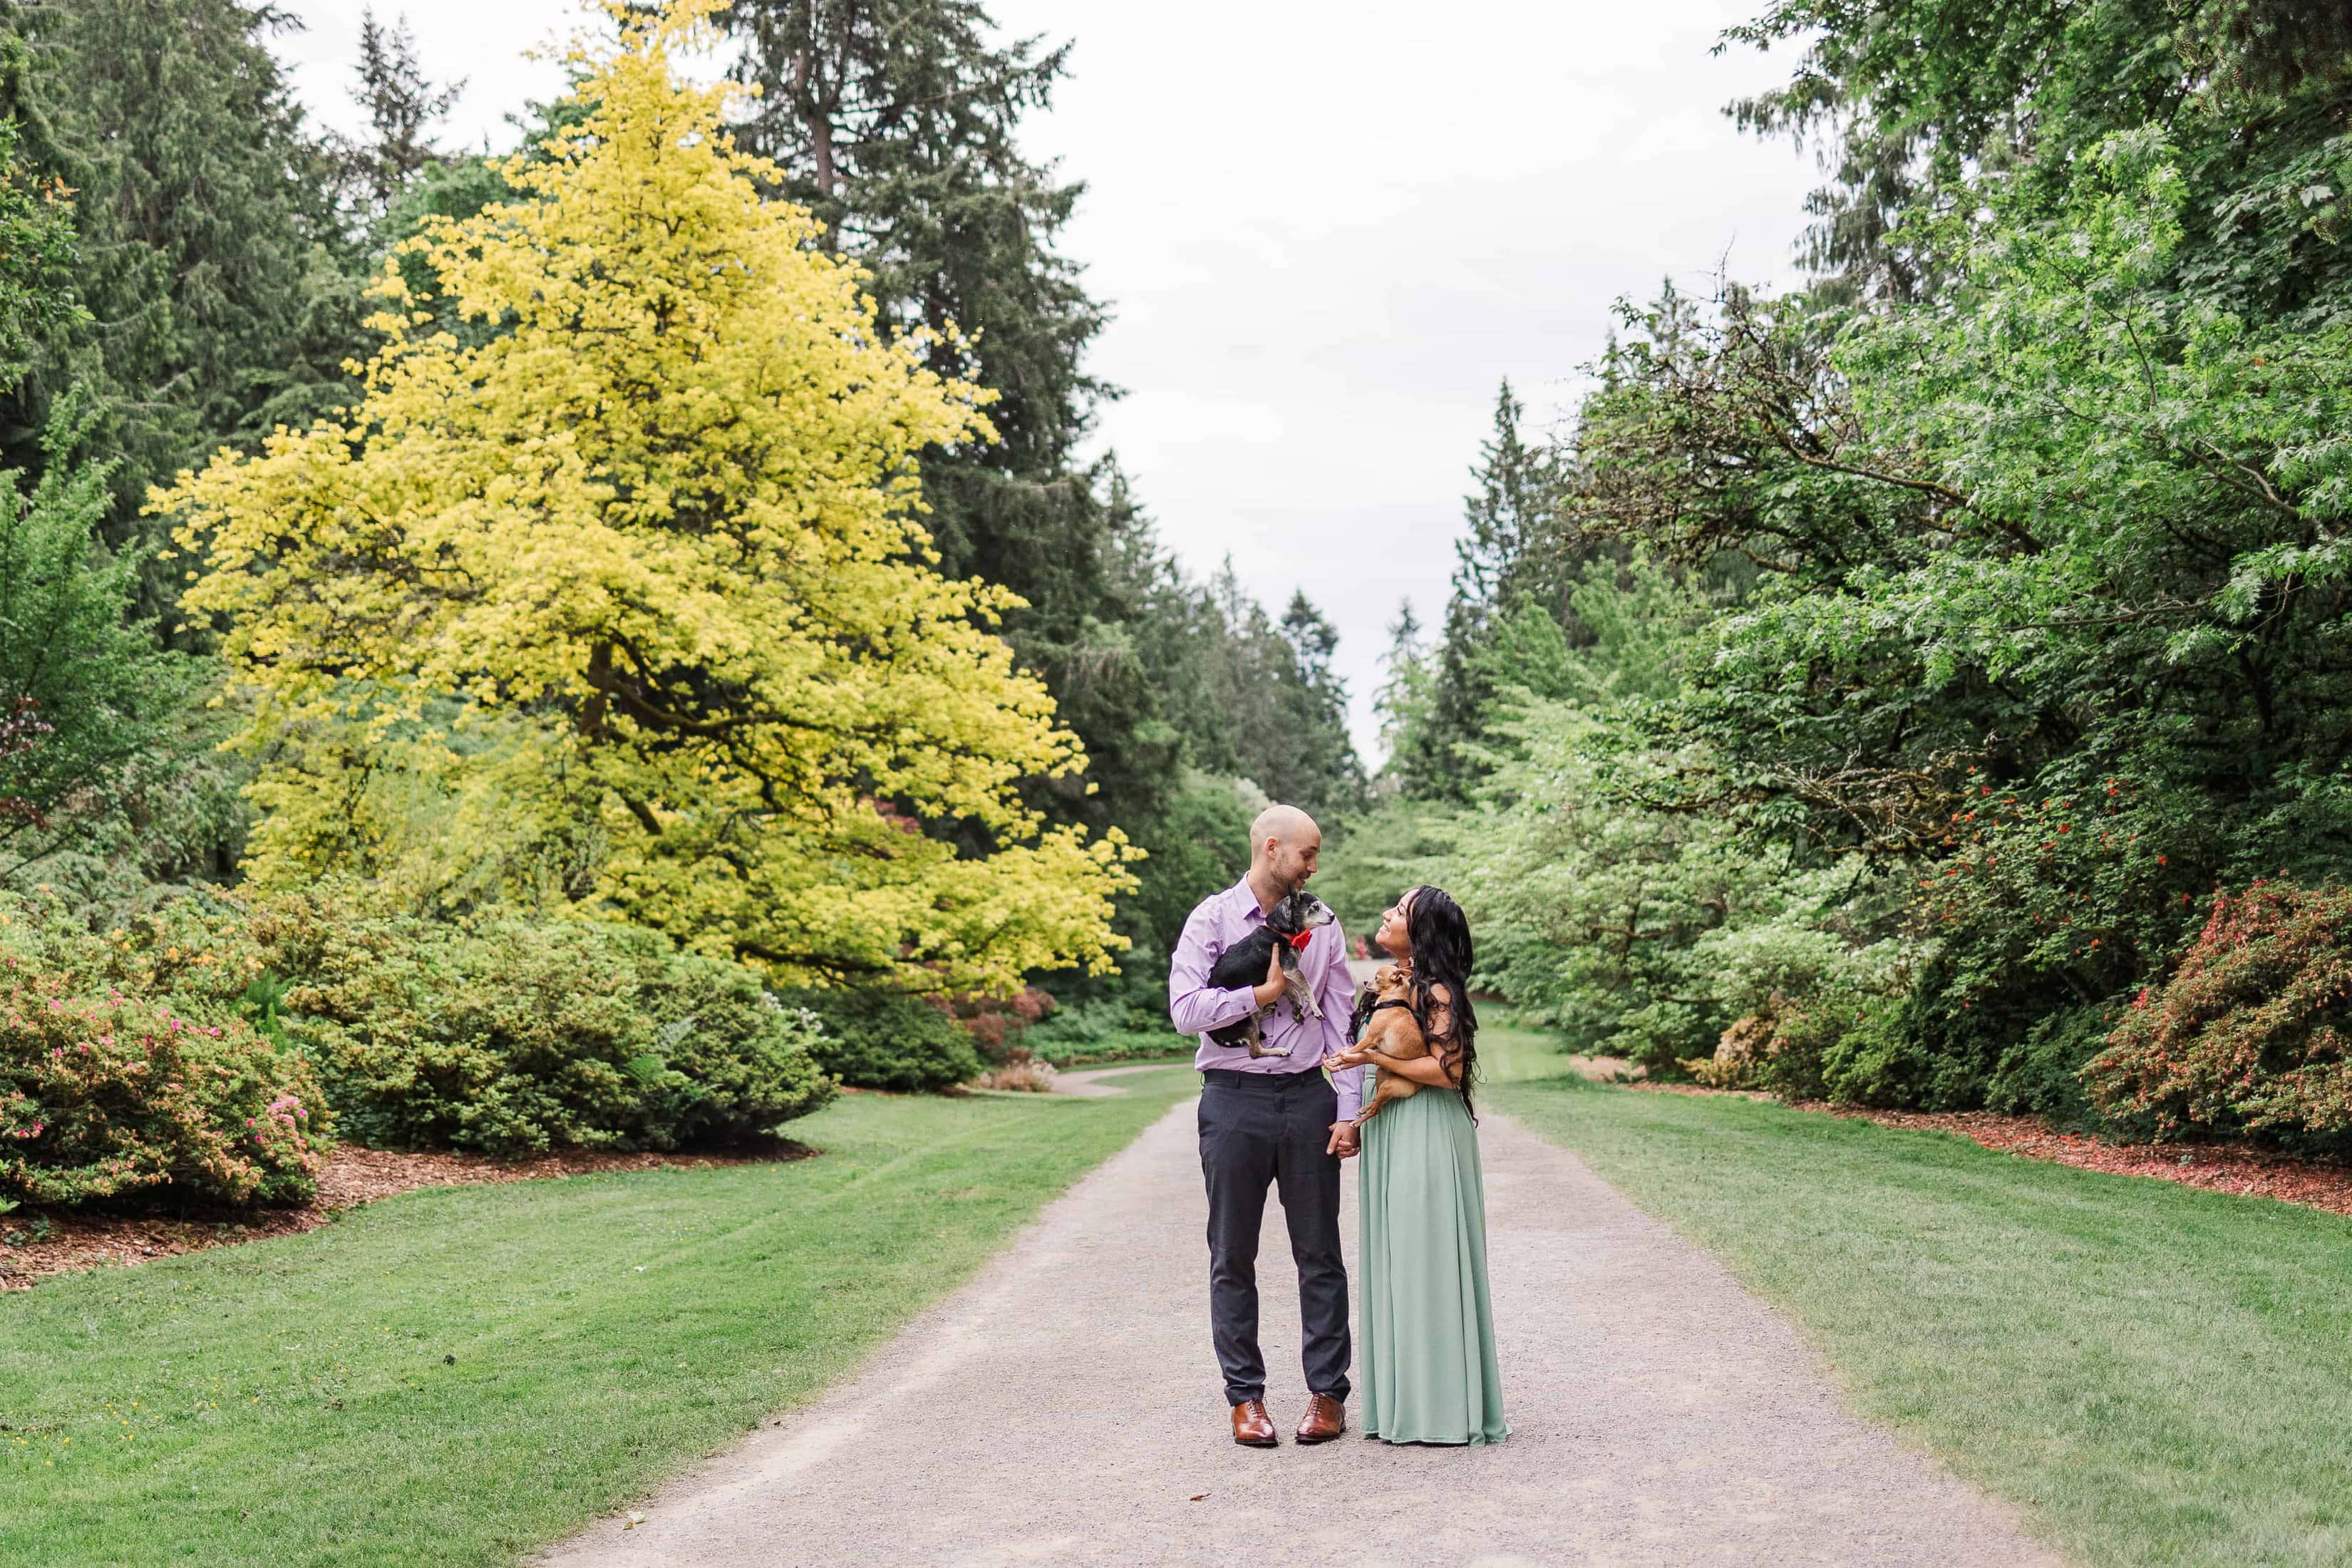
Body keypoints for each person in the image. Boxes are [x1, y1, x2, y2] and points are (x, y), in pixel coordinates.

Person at [1168, 803, 1362, 1448]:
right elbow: (1185, 1010)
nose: (1314, 867)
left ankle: (1327, 1395)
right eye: (1307, 854)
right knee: (1232, 1255)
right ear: (1272, 848)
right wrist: (1260, 996)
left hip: (1307, 1099)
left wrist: (1348, 1109)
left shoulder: (1324, 923)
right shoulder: (1211, 919)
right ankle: (1245, 1399)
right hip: (1232, 1101)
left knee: (1320, 1254)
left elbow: (1340, 1019)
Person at [1323, 886, 1507, 1446]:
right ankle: (1404, 1403)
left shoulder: (1438, 990)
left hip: (1426, 1127)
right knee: (1397, 1257)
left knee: (1427, 1257)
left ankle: (1441, 1410)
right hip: (1394, 1126)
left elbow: (1447, 1072)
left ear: (1422, 931)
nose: (1387, 914)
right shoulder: (1394, 986)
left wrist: (1372, 1056)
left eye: (1400, 911)